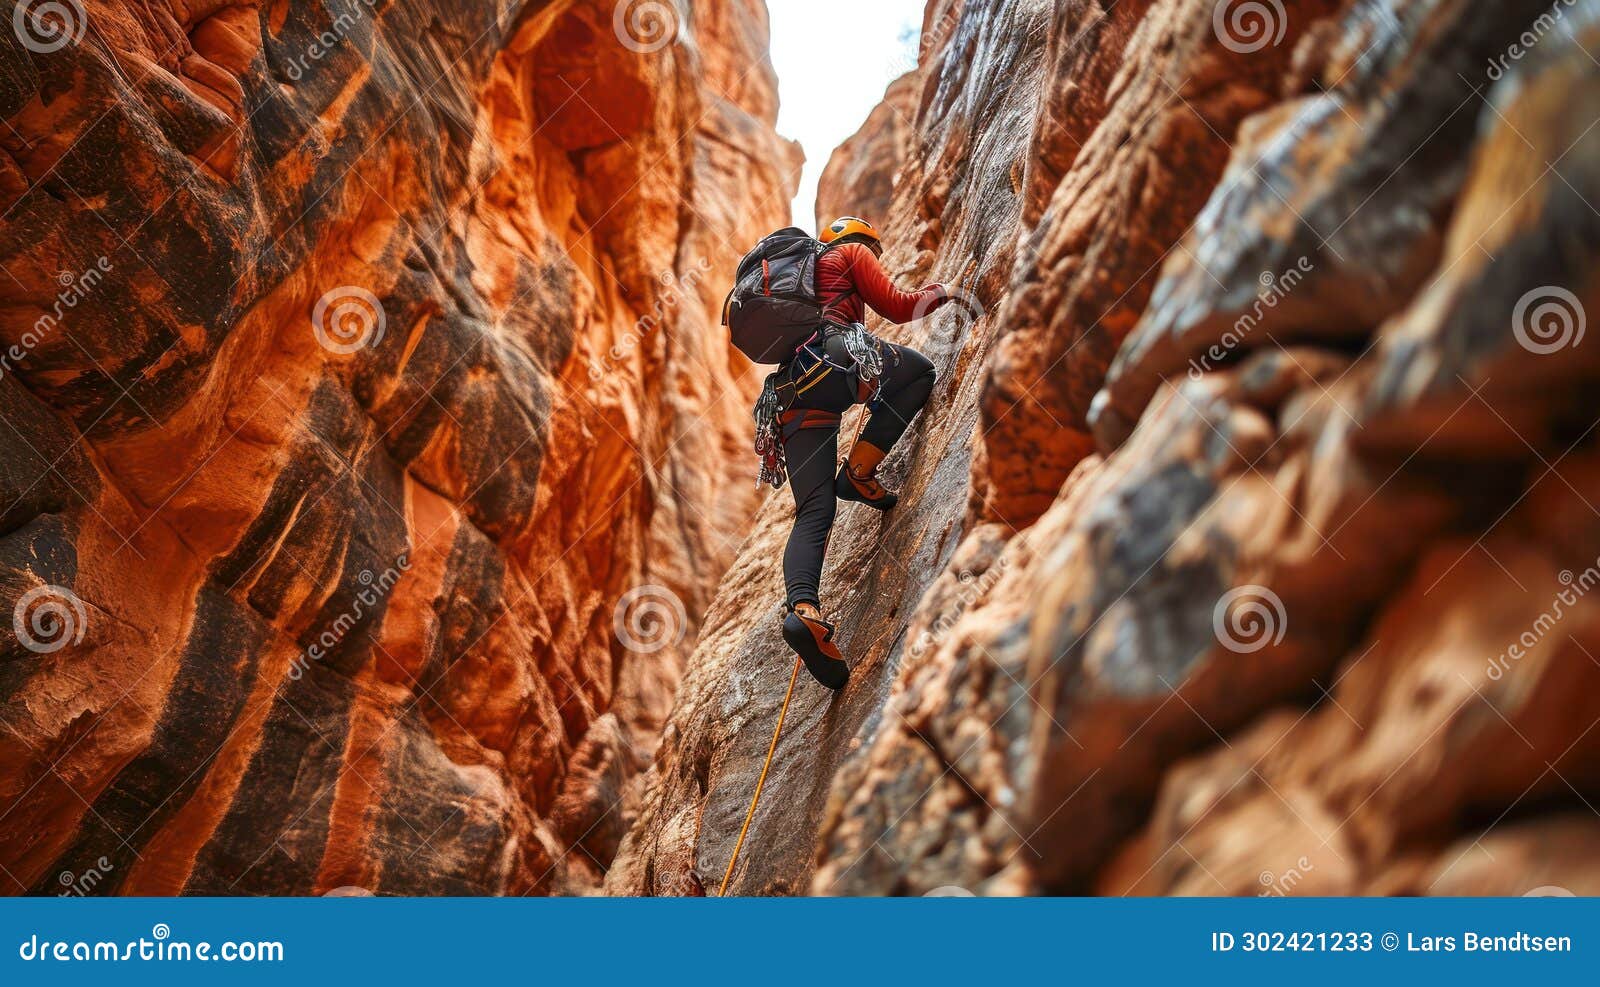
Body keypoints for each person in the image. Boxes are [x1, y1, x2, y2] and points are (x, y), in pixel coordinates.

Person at [775, 216, 953, 690]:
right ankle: (858, 473)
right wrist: (943, 291)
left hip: (790, 392)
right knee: (917, 372)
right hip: (836, 359)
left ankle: (803, 610)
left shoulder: (798, 281)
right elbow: (898, 308)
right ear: (863, 241)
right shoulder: (850, 254)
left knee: (812, 509)